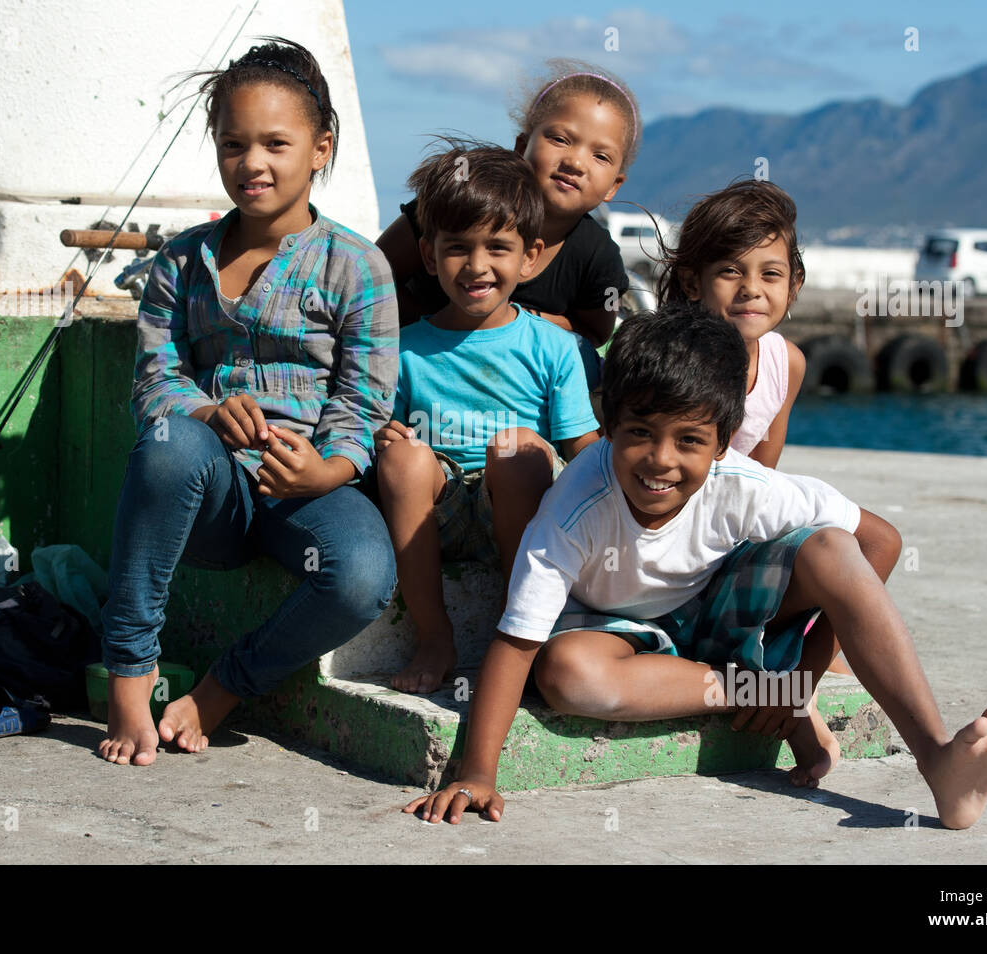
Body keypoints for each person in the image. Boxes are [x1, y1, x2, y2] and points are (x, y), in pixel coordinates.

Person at [405, 303, 987, 829]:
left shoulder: (744, 485)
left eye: (689, 441)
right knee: (565, 673)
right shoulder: (575, 508)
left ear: (723, 442)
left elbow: (880, 541)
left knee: (833, 546)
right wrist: (478, 772)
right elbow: (515, 645)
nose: (660, 460)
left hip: (720, 610)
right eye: (639, 432)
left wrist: (802, 677)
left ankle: (938, 759)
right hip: (613, 629)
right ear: (608, 425)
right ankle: (749, 691)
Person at [97, 38, 399, 766]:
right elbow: (155, 379)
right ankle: (129, 674)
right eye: (234, 144)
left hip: (307, 493)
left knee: (362, 579)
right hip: (211, 496)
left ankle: (225, 686)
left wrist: (326, 471)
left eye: (276, 143)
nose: (252, 163)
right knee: (168, 443)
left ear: (320, 148)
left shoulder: (357, 266)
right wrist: (203, 413)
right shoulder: (181, 261)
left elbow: (364, 402)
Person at [375, 145, 601, 694]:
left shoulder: (555, 345)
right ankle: (434, 635)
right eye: (458, 249)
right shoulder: (404, 349)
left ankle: (515, 630)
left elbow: (583, 448)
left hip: (525, 505)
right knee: (400, 455)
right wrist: (383, 437)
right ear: (428, 256)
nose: (477, 267)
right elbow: (377, 435)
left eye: (498, 247)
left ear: (530, 257)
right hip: (439, 509)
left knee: (515, 447)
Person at [660, 179, 903, 676]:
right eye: (730, 271)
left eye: (770, 274)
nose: (752, 288)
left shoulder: (785, 362)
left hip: (735, 529)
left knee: (875, 543)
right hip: (674, 541)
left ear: (793, 287)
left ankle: (802, 675)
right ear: (691, 281)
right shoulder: (673, 362)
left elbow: (762, 479)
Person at [378, 60, 640, 387]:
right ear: (521, 147)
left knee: (583, 357)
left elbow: (594, 333)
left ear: (615, 185)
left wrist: (523, 324)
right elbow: (374, 273)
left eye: (600, 156)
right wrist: (432, 327)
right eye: (560, 139)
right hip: (421, 361)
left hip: (516, 378)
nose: (575, 162)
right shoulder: (457, 205)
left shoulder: (597, 254)